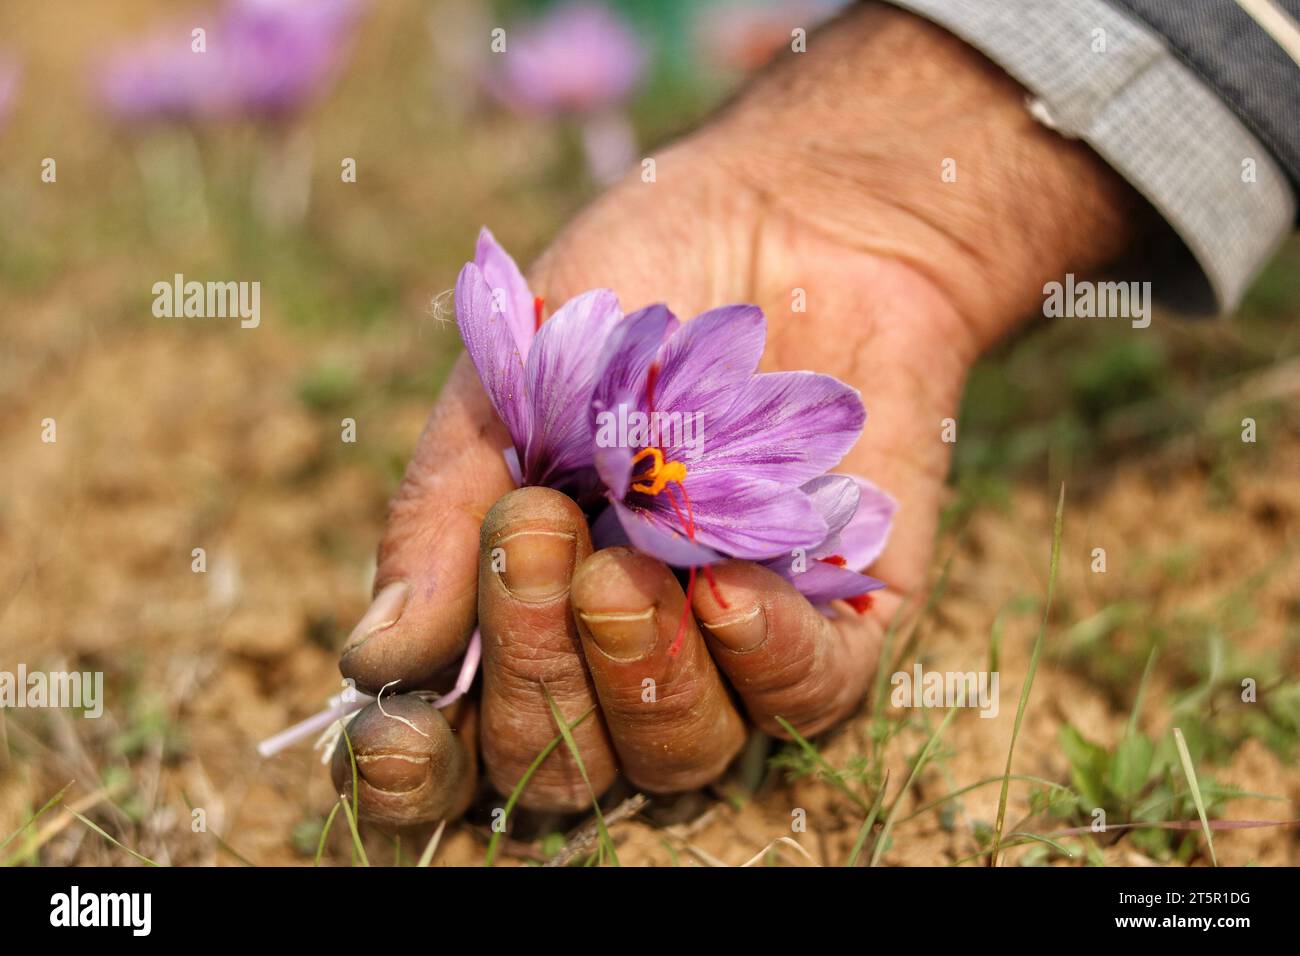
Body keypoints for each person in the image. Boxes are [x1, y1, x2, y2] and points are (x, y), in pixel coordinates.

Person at [330, 1, 1300, 825]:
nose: (654, 470)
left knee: (627, 583)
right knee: (550, 563)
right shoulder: (617, 447)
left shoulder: (656, 490)